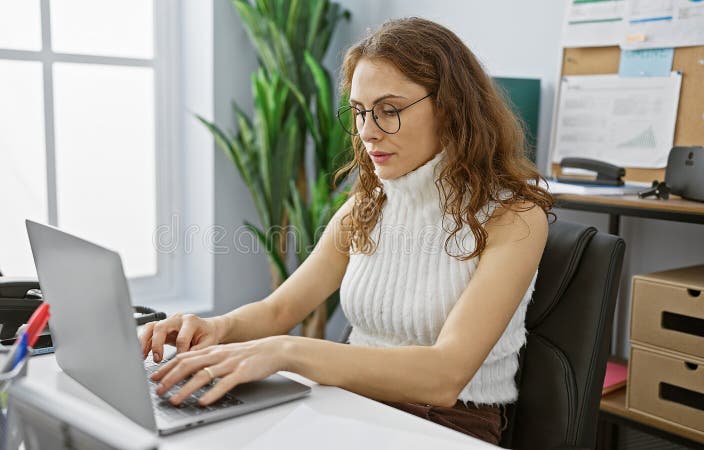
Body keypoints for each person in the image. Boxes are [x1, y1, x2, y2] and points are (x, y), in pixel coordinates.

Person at [140, 17, 554, 445]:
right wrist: (217, 328)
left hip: (447, 424)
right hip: (349, 405)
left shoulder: (514, 217)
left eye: (389, 110)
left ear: (451, 108)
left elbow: (444, 375)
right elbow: (280, 311)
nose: (368, 132)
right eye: (359, 112)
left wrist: (287, 351)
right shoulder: (366, 205)